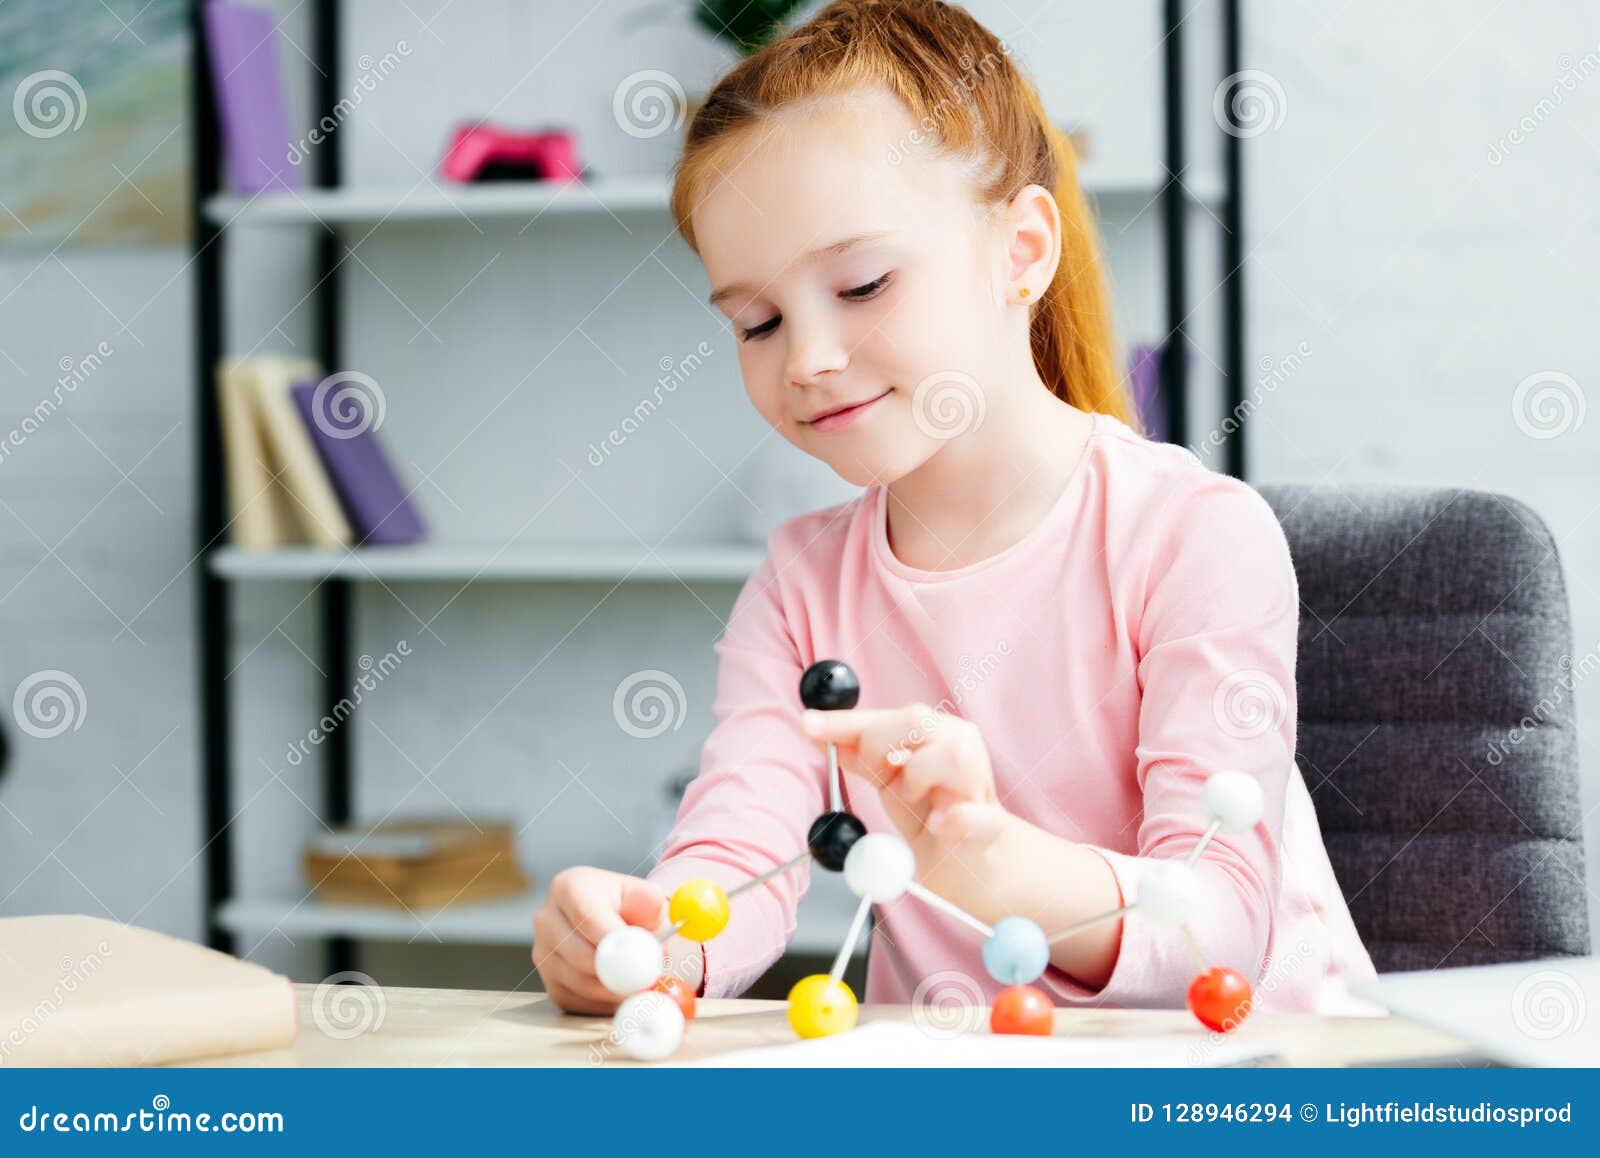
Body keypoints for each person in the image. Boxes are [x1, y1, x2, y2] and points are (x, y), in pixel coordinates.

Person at [533, 0, 1378, 1017]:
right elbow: (737, 846)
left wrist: (994, 864)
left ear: (1021, 250)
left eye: (862, 283)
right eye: (756, 322)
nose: (805, 360)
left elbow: (1220, 927)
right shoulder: (799, 590)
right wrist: (651, 936)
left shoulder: (1193, 536)